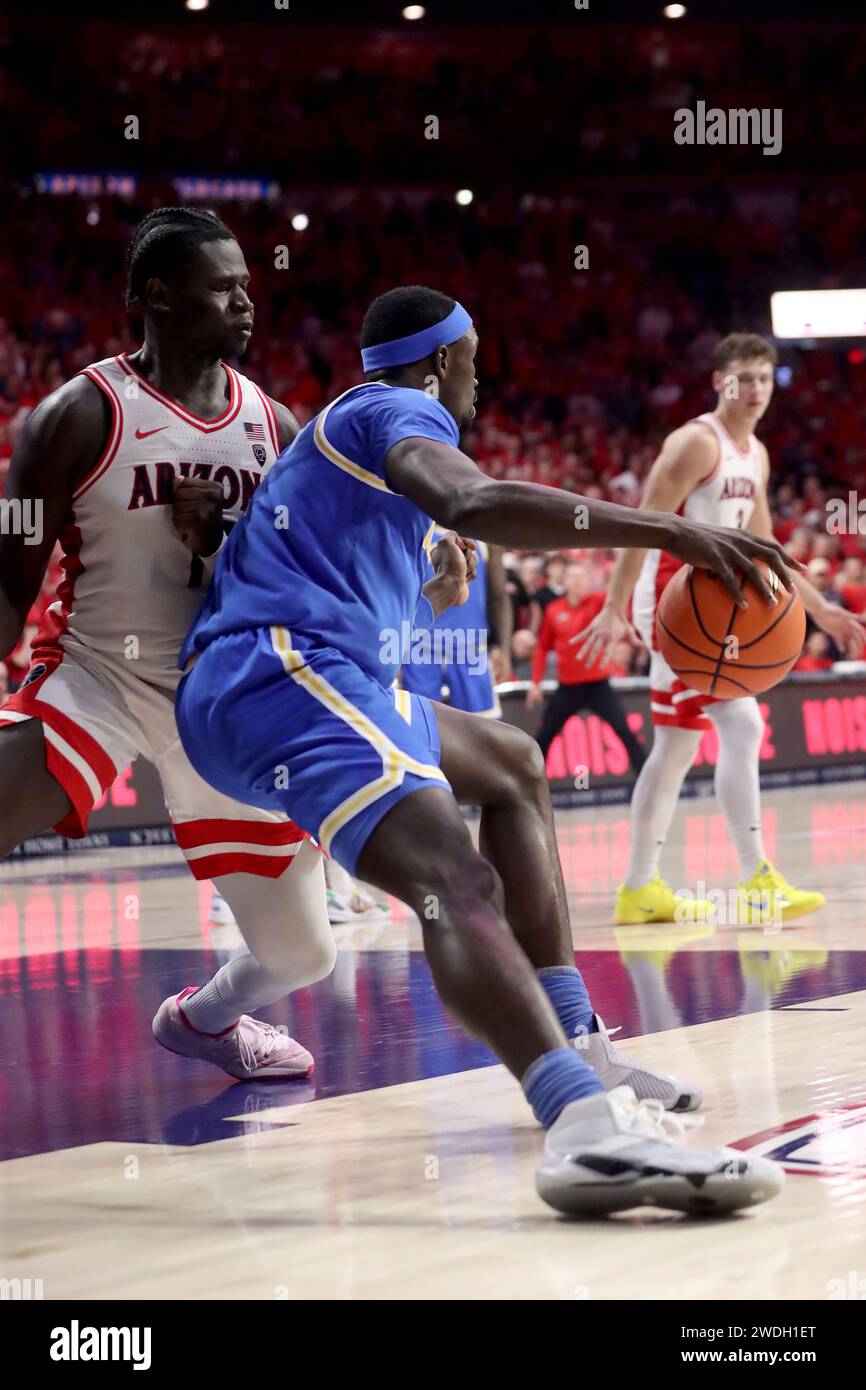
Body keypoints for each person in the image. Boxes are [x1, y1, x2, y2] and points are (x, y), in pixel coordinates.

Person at [175, 286, 794, 1215]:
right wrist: (673, 531)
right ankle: (583, 1129)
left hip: (305, 675)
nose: (480, 376)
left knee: (511, 761)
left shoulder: (363, 441)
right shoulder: (399, 407)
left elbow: (367, 554)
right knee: (450, 878)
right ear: (438, 362)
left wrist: (424, 575)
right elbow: (474, 496)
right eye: (473, 357)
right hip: (272, 677)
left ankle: (581, 1045)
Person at [0, 206, 338, 1081]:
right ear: (157, 295)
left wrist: (224, 534)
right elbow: (8, 582)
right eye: (223, 287)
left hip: (224, 704)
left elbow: (302, 580)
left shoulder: (275, 425)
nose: (246, 303)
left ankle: (205, 1019)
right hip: (102, 675)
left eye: (248, 287)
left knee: (307, 957)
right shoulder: (75, 415)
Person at [576, 332, 866, 926]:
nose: (756, 390)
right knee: (744, 720)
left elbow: (768, 551)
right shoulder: (693, 442)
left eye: (765, 378)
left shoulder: (754, 454)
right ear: (720, 382)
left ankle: (639, 888)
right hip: (675, 605)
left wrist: (821, 609)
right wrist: (613, 603)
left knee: (676, 750)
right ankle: (757, 876)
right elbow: (641, 524)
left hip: (715, 606)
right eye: (745, 378)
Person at [527, 559, 646, 775]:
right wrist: (536, 683)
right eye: (572, 577)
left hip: (599, 686)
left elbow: (620, 602)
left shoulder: (600, 602)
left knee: (627, 734)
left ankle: (649, 785)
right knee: (543, 738)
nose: (577, 582)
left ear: (589, 581)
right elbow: (542, 648)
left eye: (582, 577)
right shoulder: (554, 610)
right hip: (567, 688)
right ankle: (527, 788)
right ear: (564, 581)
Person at [400, 527, 511, 717]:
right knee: (418, 728)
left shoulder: (485, 537)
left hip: (470, 648)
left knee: (482, 732)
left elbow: (499, 597)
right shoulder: (416, 528)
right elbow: (399, 595)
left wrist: (504, 649)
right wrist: (397, 651)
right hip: (420, 647)